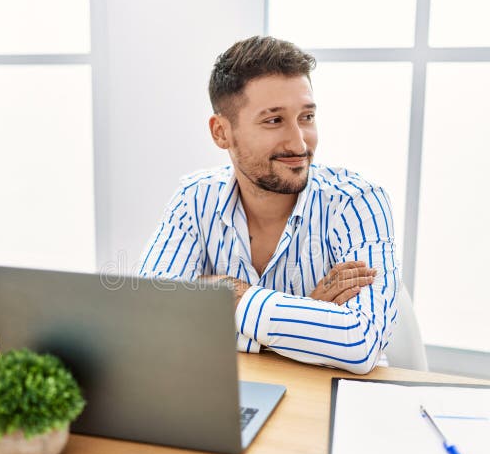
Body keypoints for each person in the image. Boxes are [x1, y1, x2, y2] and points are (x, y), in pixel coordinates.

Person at [138, 36, 399, 374]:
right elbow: (150, 318)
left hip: (335, 404)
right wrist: (306, 314)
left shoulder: (357, 202)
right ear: (221, 132)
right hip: (233, 394)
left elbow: (360, 344)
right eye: (274, 120)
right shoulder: (194, 199)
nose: (299, 141)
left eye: (306, 117)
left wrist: (228, 295)